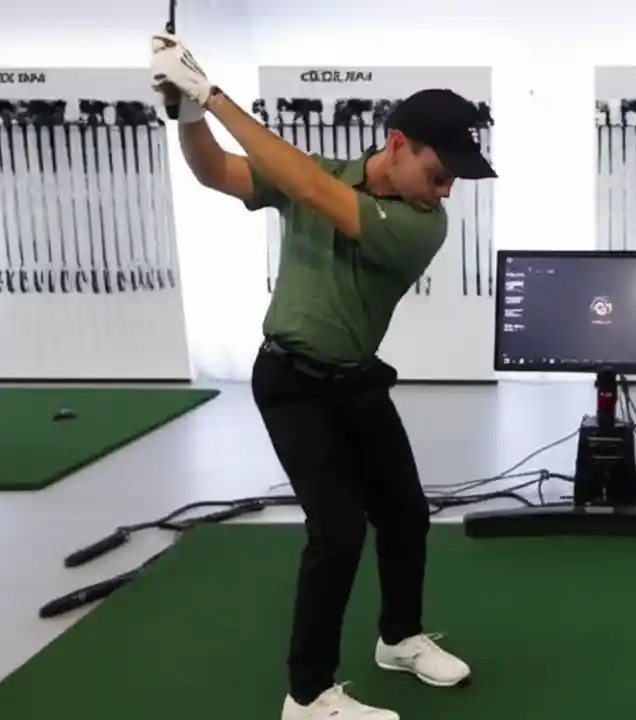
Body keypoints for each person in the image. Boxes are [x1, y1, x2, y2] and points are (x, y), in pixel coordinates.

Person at [149, 32, 495, 720]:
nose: (449, 186)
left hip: (358, 382)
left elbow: (305, 184)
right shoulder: (327, 175)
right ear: (397, 145)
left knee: (404, 512)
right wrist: (186, 114)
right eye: (439, 168)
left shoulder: (424, 225)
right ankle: (307, 695)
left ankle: (398, 638)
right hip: (291, 383)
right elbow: (216, 170)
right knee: (337, 529)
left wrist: (211, 92)